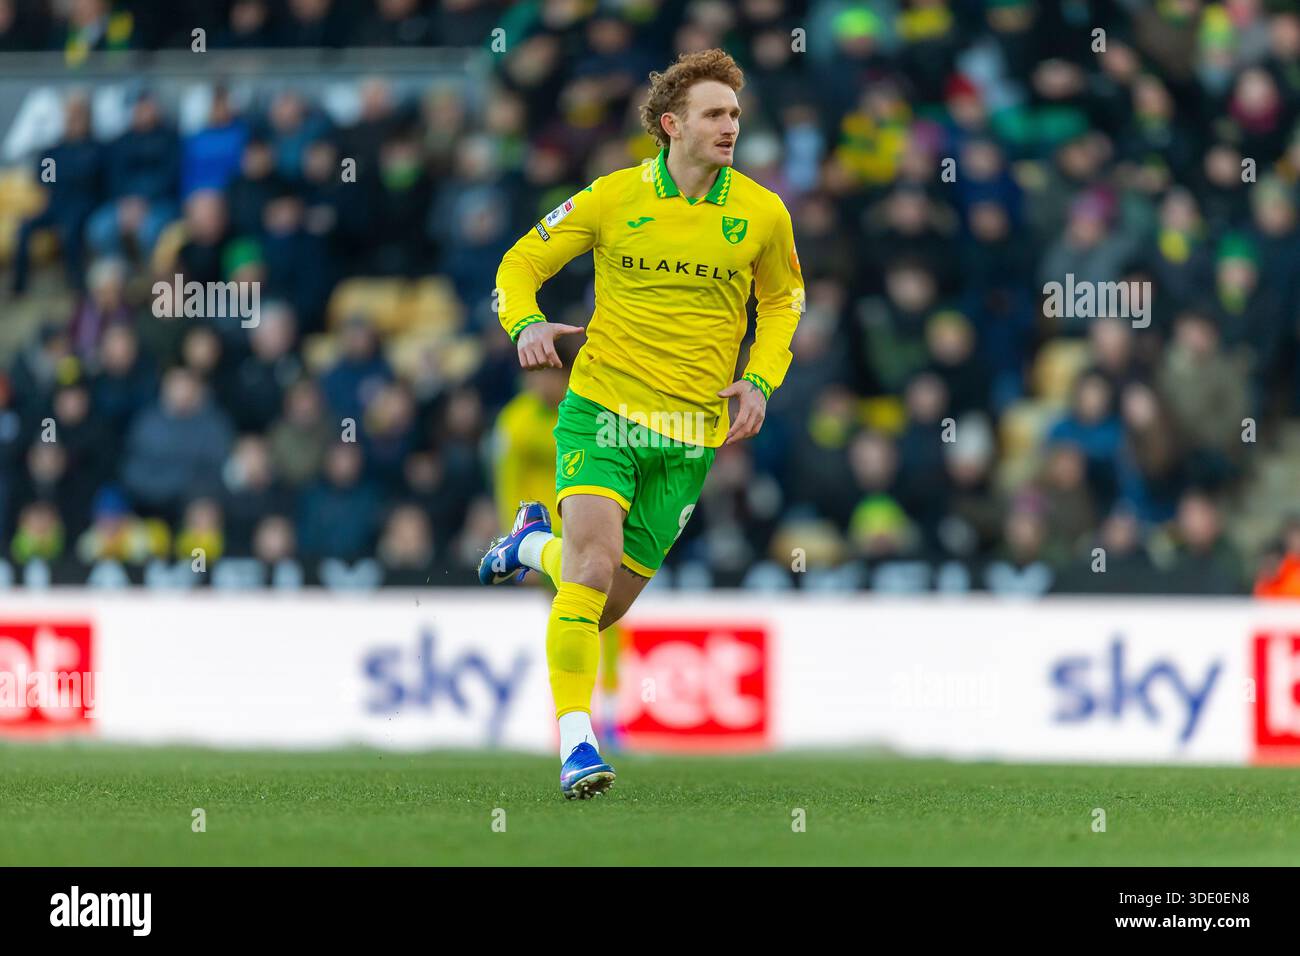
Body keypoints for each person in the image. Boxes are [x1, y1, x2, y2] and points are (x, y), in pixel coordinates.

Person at [481, 49, 802, 798]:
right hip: (604, 414)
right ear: (672, 125)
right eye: (715, 114)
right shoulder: (611, 198)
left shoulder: (762, 211)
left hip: (690, 435)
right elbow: (516, 267)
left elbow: (786, 301)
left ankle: (530, 542)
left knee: (605, 605)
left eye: (734, 114)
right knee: (590, 572)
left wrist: (761, 378)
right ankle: (576, 745)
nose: (732, 126)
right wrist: (524, 323)